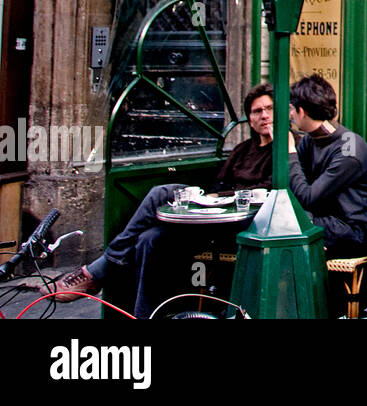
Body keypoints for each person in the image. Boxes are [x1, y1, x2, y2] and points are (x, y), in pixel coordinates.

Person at [52, 84, 275, 314]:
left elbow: (270, 189)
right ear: (250, 119)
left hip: (243, 223)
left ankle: (101, 268)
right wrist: (214, 196)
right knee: (149, 238)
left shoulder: (283, 151)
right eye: (257, 111)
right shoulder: (242, 149)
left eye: (269, 109)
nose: (264, 115)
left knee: (160, 193)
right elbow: (218, 183)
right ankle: (143, 315)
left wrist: (222, 195)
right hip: (214, 216)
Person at [287, 73, 367, 257]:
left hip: (354, 232)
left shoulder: (349, 149)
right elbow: (296, 190)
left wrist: (290, 152)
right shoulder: (309, 141)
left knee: (283, 227)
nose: (290, 115)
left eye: (292, 109)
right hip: (324, 223)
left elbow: (307, 196)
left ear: (302, 111)